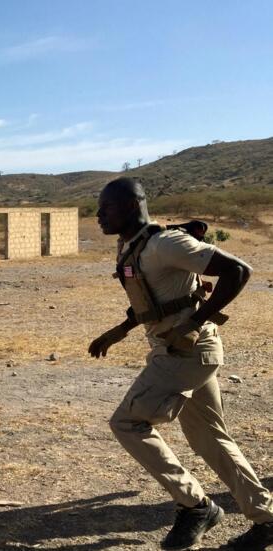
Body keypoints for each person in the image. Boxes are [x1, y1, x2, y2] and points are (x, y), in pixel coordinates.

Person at [89, 177, 273, 550]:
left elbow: (238, 272)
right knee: (211, 438)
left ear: (129, 205)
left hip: (185, 353)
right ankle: (266, 518)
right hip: (182, 352)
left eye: (105, 208)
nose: (97, 216)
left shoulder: (167, 243)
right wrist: (119, 330)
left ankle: (195, 506)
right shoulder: (131, 246)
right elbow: (152, 300)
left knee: (126, 422)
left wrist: (195, 320)